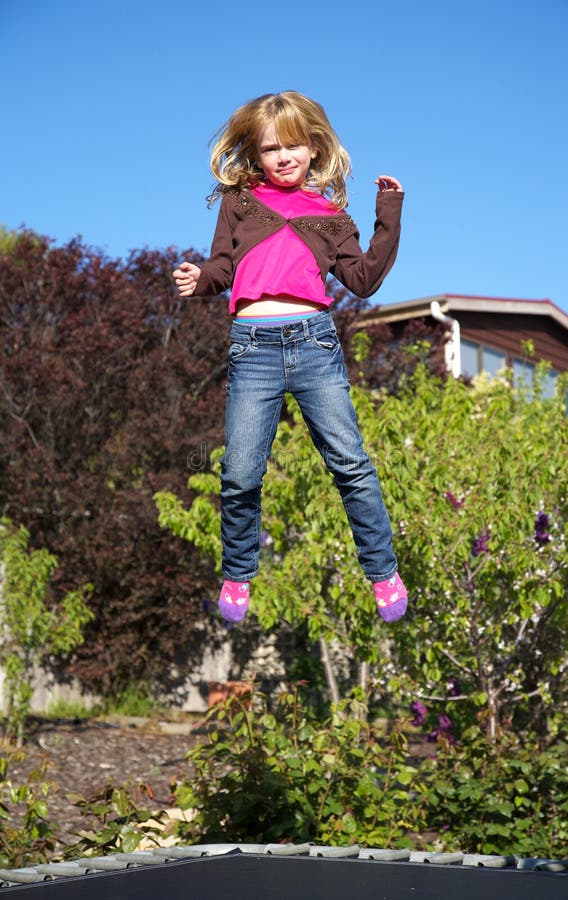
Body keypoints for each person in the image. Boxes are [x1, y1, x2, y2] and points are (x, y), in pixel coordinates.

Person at [173, 90, 408, 625]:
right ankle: (238, 573)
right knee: (239, 472)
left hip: (314, 344)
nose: (284, 157)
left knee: (350, 464)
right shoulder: (241, 203)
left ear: (315, 149)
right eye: (271, 148)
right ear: (255, 154)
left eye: (294, 146)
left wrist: (388, 216)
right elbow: (221, 268)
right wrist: (198, 279)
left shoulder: (329, 214)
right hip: (252, 346)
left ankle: (382, 571)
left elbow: (364, 279)